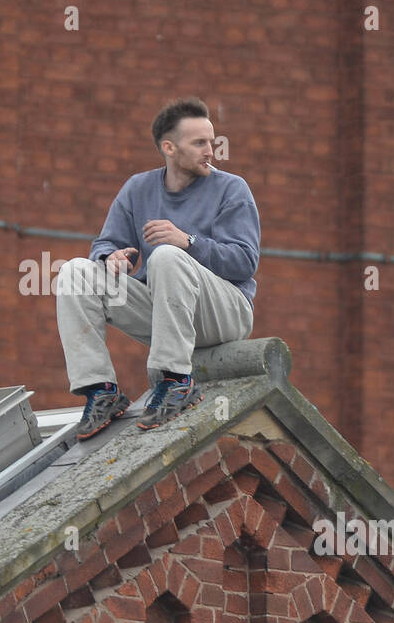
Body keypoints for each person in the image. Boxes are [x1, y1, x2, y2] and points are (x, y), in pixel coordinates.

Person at [55, 96, 261, 439]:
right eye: (199, 143)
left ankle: (176, 380)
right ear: (169, 147)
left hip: (225, 313)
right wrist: (112, 259)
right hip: (166, 310)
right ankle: (100, 390)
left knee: (166, 255)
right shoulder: (138, 188)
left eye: (212, 141)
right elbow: (104, 244)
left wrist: (188, 242)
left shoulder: (232, 189)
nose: (211, 150)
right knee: (75, 272)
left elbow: (244, 261)